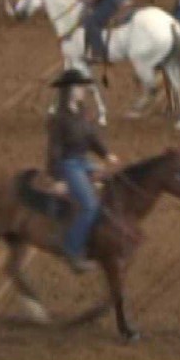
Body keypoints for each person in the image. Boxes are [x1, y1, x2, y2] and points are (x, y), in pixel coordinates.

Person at [45, 69, 120, 273]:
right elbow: (54, 150)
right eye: (79, 87)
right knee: (89, 205)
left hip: (83, 161)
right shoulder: (59, 118)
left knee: (114, 182)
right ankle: (72, 249)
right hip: (68, 165)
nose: (83, 90)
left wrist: (106, 155)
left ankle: (97, 235)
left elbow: (91, 136)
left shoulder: (81, 112)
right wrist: (58, 178)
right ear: (69, 90)